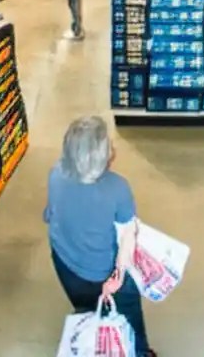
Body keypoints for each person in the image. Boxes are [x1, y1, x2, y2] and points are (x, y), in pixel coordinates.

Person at [43, 117, 154, 357]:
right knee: (128, 314)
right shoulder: (118, 188)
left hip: (66, 264)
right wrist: (117, 276)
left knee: (86, 308)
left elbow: (51, 215)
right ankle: (140, 351)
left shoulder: (56, 173)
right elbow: (127, 240)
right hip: (103, 272)